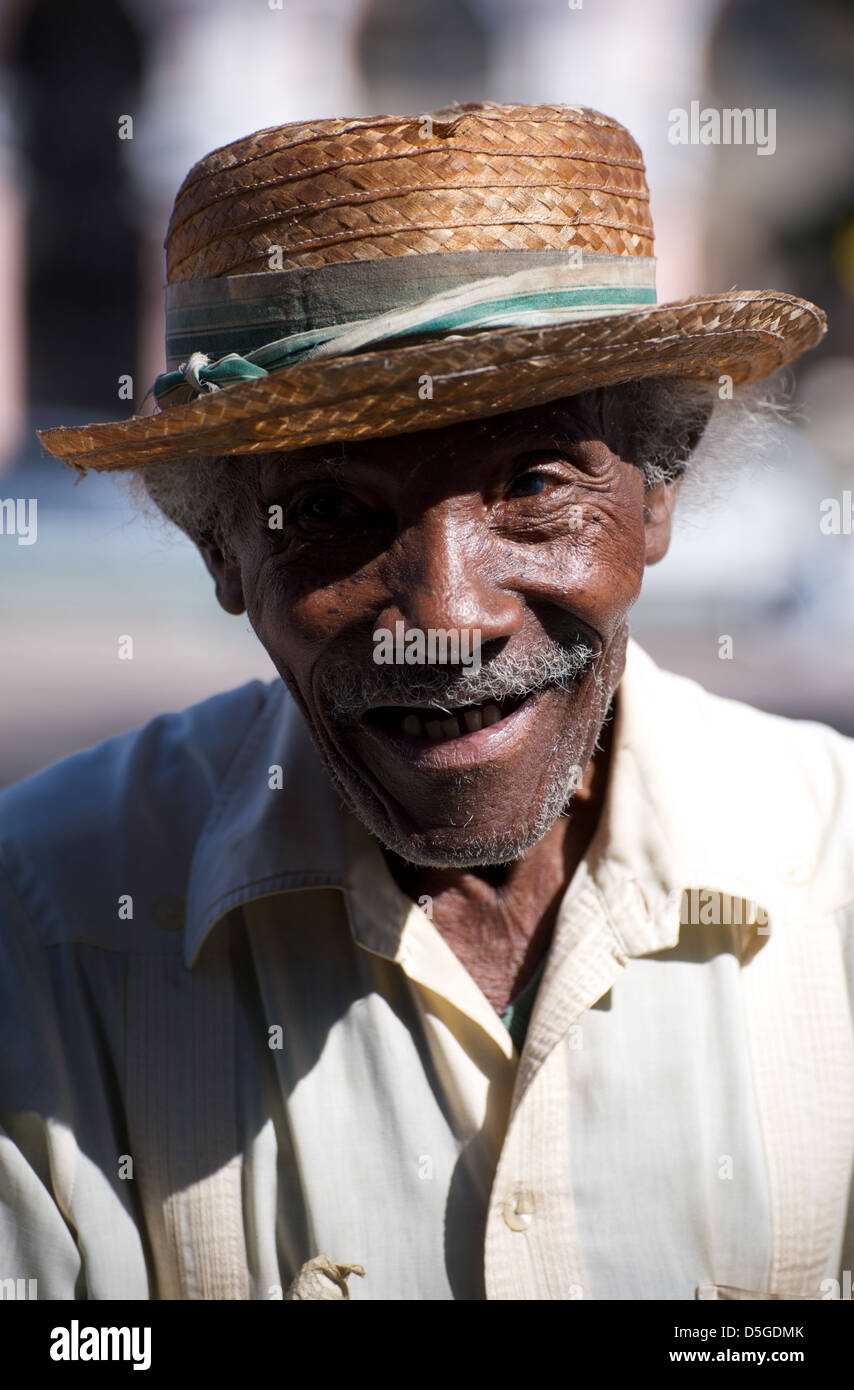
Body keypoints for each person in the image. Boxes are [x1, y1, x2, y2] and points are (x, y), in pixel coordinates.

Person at [2, 102, 851, 1301]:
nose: (446, 617)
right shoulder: (43, 927)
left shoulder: (837, 873)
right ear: (219, 548)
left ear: (653, 494)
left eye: (534, 483)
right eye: (335, 513)